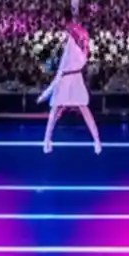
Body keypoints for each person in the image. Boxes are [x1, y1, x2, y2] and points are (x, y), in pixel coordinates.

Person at [38, 18, 103, 154]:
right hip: (64, 80)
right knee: (55, 110)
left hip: (76, 80)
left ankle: (97, 141)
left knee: (84, 109)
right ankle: (46, 141)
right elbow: (59, 73)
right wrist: (47, 93)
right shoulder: (67, 47)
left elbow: (81, 42)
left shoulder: (82, 46)